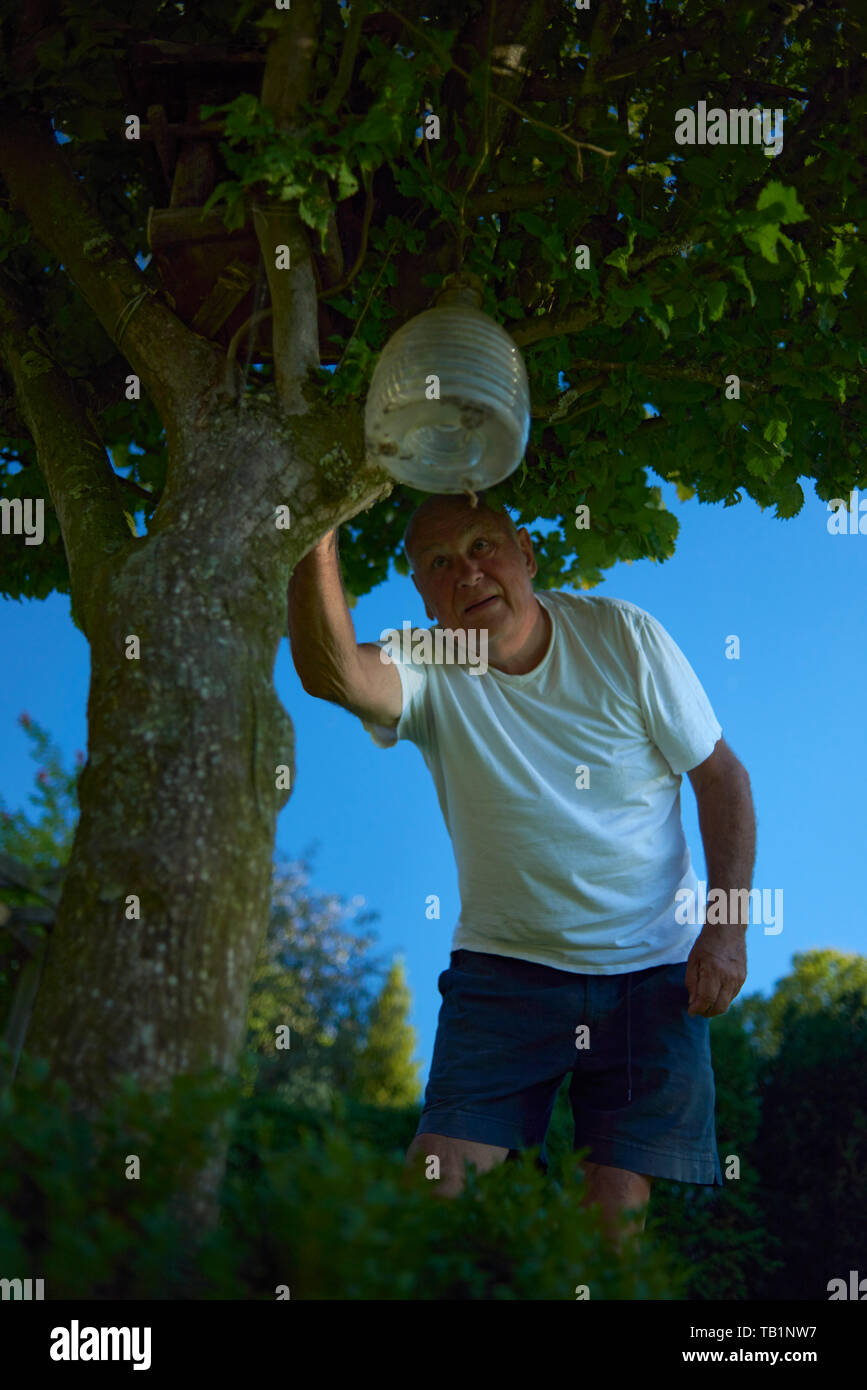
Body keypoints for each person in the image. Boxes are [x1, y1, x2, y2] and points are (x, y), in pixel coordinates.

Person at [287, 492, 756, 1249]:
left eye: (482, 546)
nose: (466, 572)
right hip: (503, 974)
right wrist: (316, 520)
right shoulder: (431, 661)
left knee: (608, 1227)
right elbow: (332, 673)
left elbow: (722, 779)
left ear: (528, 554)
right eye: (438, 563)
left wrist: (725, 932)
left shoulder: (620, 636)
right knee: (433, 1196)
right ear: (421, 594)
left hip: (652, 971)